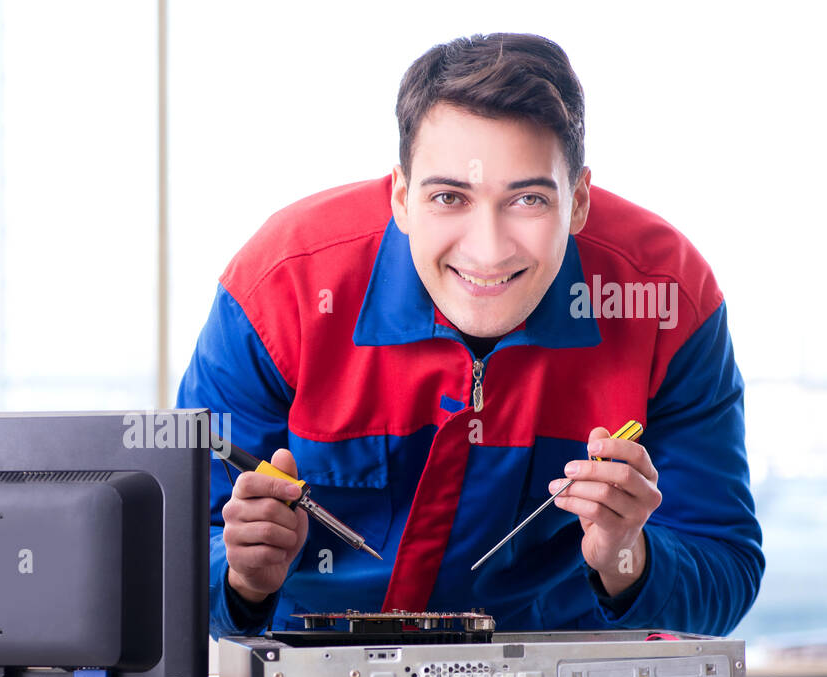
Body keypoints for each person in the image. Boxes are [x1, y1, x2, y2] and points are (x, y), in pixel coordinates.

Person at [175, 33, 763, 638]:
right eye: (449, 197)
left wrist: (626, 557)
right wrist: (241, 578)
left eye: (528, 199)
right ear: (401, 198)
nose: (487, 250)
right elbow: (170, 559)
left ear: (579, 200)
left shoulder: (667, 301)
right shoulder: (281, 288)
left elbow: (728, 568)